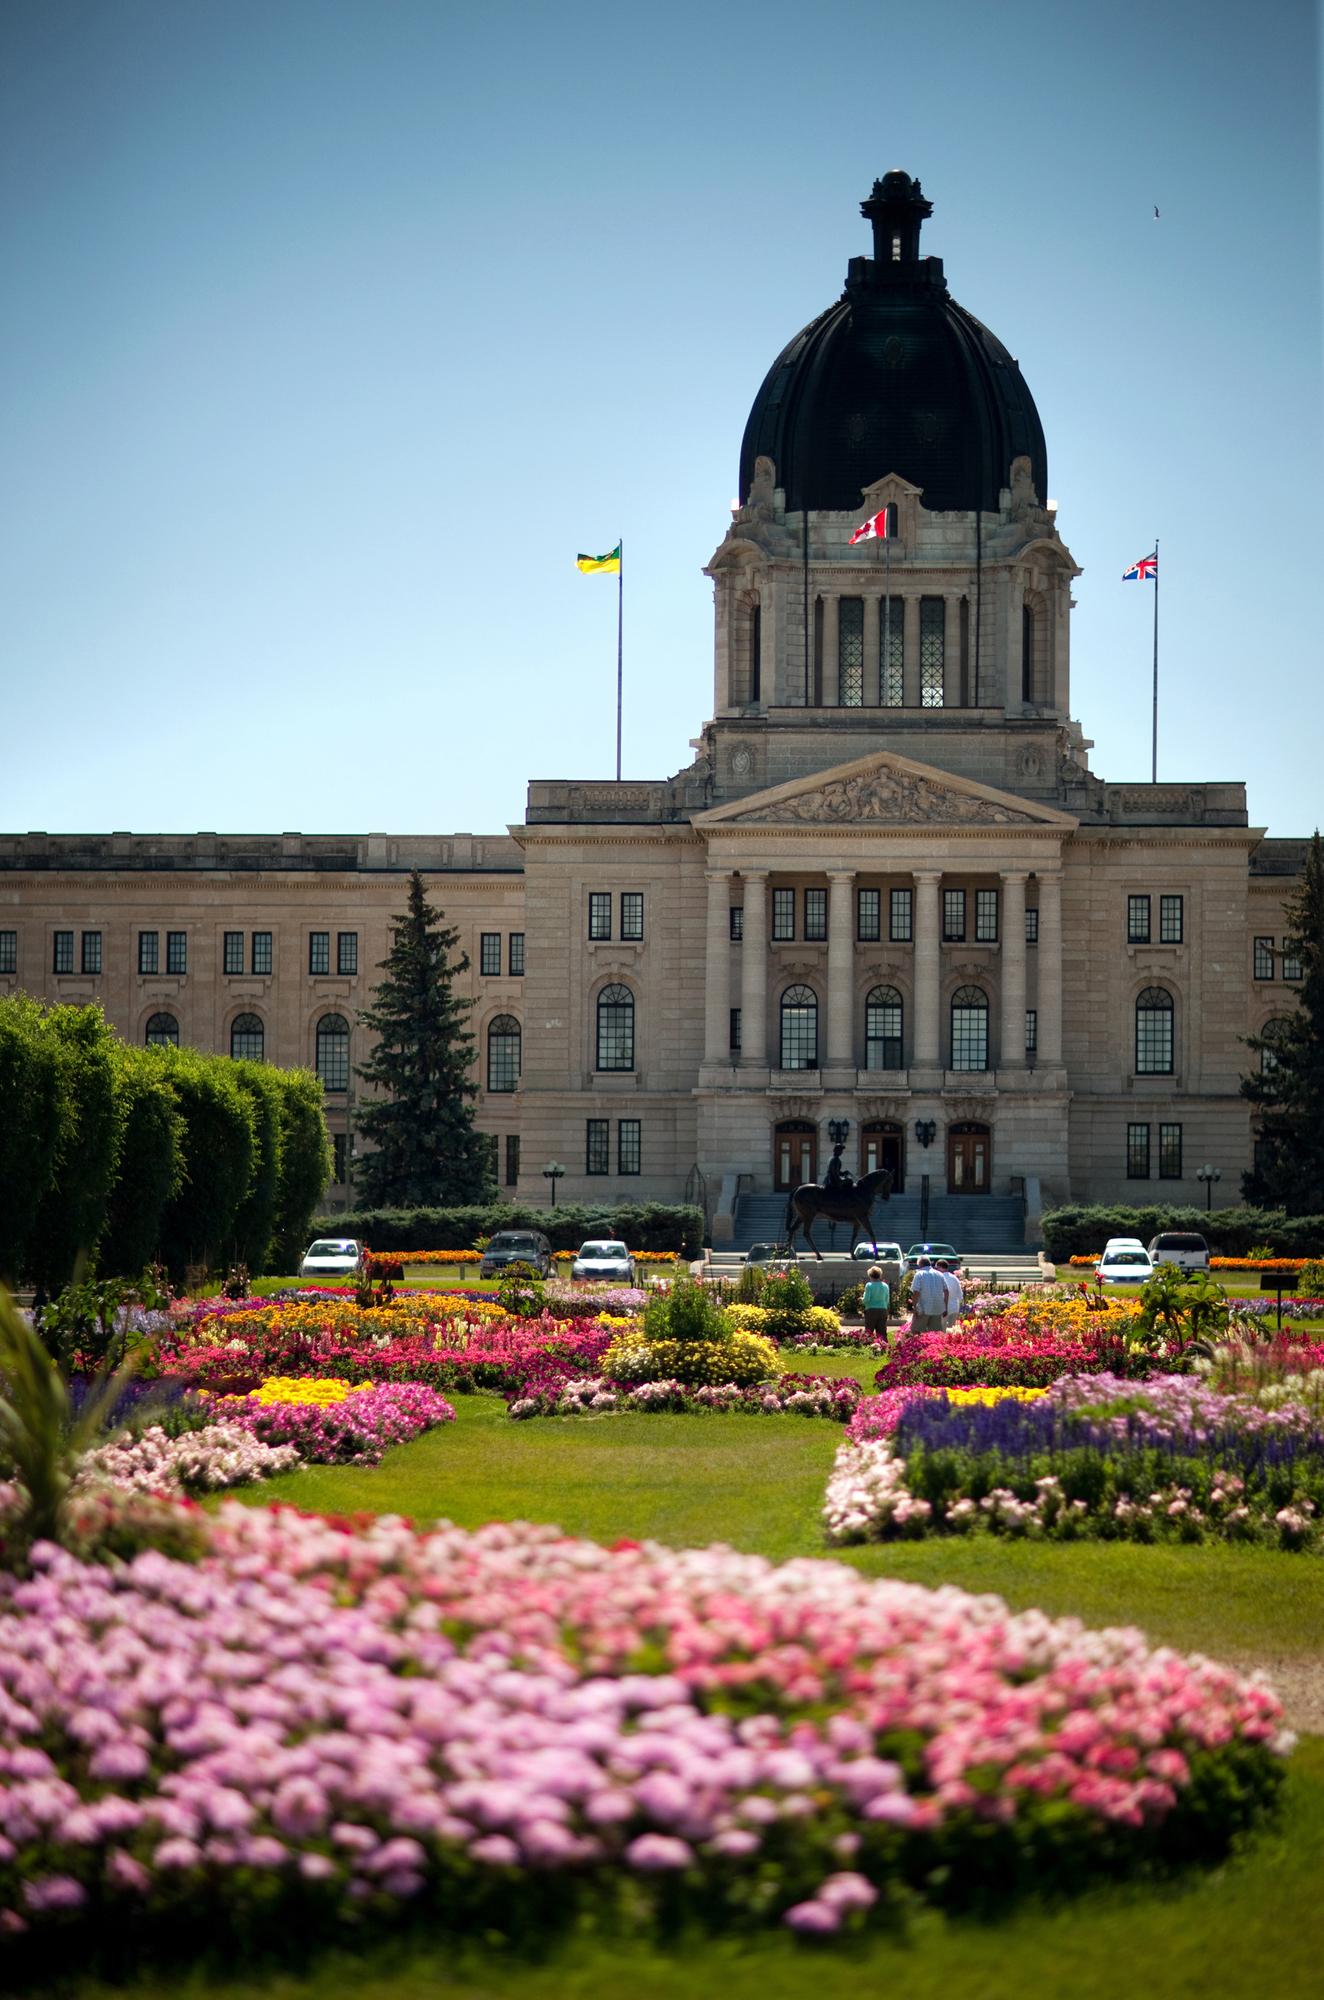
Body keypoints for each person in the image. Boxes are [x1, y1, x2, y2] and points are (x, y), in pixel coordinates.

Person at [908, 1256, 948, 1333]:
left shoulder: (919, 1274)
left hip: (923, 1308)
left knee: (916, 1332)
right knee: (935, 1334)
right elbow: (946, 1291)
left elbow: (916, 1292)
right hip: (937, 1308)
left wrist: (915, 1307)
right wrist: (945, 1307)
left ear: (920, 1264)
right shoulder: (940, 1274)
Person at [860, 1264, 890, 1343]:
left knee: (869, 1331)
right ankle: (884, 1346)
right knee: (882, 1332)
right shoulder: (885, 1286)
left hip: (871, 1310)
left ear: (870, 1275)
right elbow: (887, 1300)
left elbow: (866, 1299)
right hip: (883, 1310)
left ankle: (867, 1346)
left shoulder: (869, 1285)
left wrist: (861, 1300)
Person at [940, 1263, 964, 1329]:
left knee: (942, 1330)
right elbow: (960, 1294)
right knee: (951, 1330)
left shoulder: (940, 1278)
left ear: (940, 1267)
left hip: (943, 1308)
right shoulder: (954, 1278)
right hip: (954, 1307)